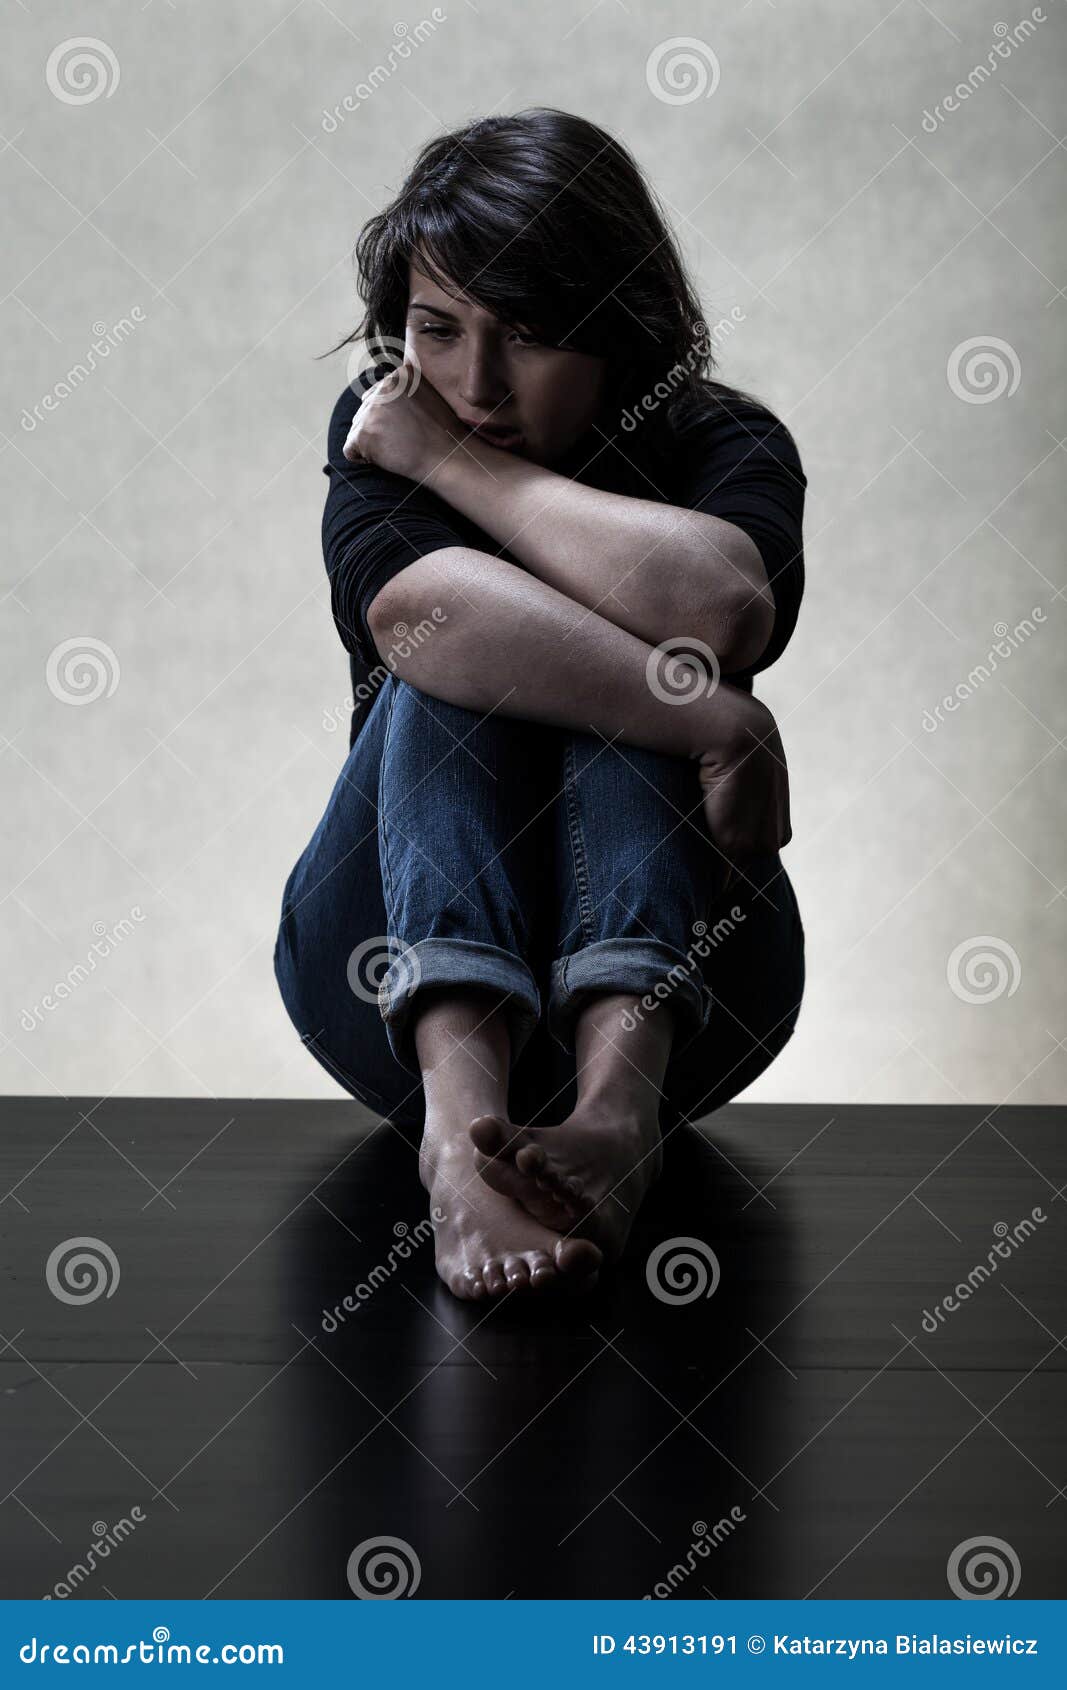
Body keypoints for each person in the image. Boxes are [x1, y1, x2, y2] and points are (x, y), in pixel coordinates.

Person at [274, 108, 806, 1302]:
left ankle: (620, 1117)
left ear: (619, 330)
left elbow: (716, 608)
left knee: (616, 658)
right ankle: (456, 1144)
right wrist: (717, 721)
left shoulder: (723, 441)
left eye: (527, 337)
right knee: (457, 656)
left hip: (700, 990)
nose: (471, 385)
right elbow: (433, 621)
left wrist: (459, 471)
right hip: (381, 976)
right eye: (435, 329)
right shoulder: (376, 422)